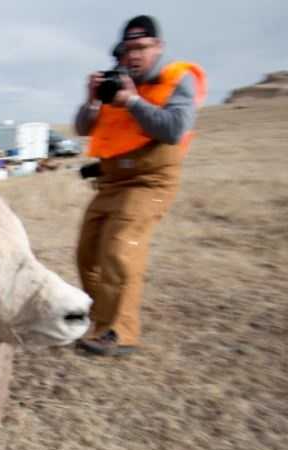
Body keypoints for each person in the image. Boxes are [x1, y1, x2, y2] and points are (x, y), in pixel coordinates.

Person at [73, 14, 206, 356]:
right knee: (87, 253)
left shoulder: (176, 81)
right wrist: (93, 100)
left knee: (119, 250)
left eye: (141, 48)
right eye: (128, 49)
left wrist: (132, 102)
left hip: (150, 182)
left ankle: (120, 332)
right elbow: (83, 128)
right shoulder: (115, 84)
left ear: (157, 47)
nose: (134, 56)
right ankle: (100, 320)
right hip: (111, 181)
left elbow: (174, 129)